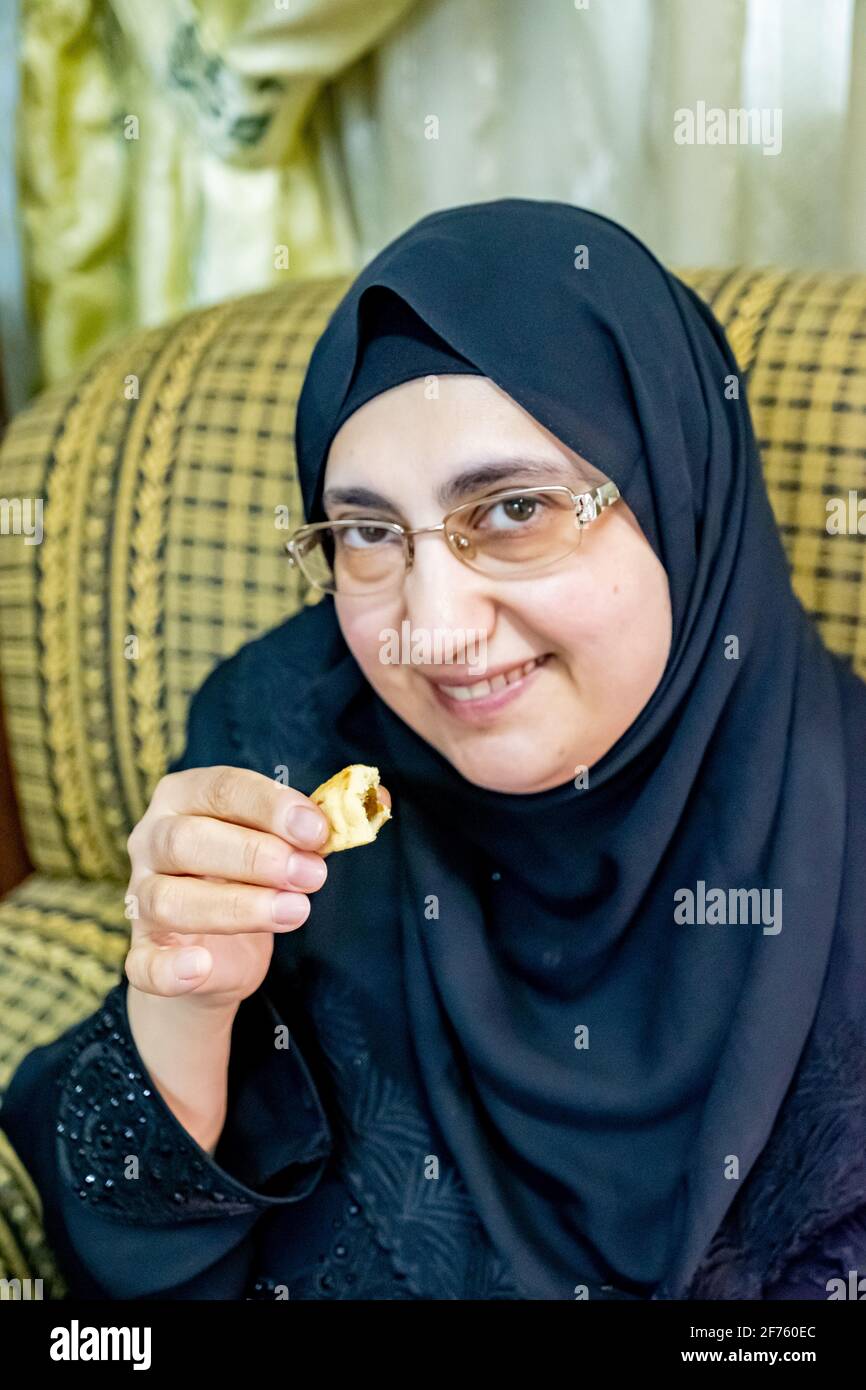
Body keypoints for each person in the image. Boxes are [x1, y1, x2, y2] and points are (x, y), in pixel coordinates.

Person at [2, 198, 865, 1301]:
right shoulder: (280, 741)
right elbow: (141, 1280)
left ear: (680, 493)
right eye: (366, 532)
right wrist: (182, 1009)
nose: (431, 627)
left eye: (510, 508)